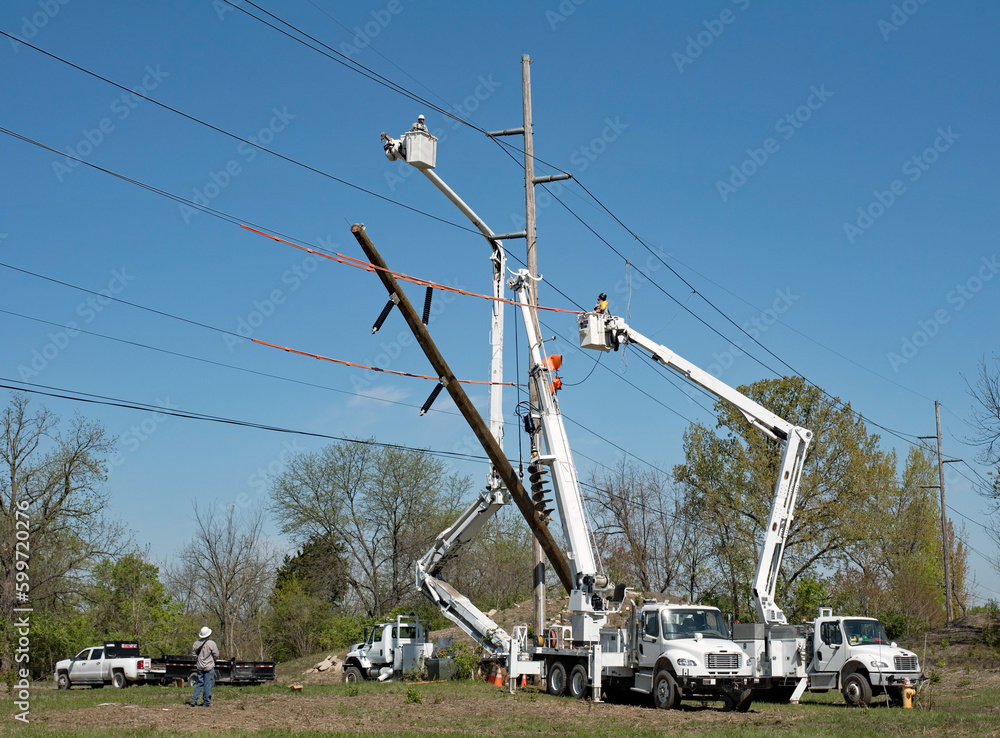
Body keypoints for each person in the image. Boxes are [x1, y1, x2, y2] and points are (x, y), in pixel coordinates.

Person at [189, 626, 219, 707]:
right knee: (208, 684)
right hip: (209, 666)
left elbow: (193, 655)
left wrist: (198, 659)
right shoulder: (211, 643)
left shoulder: (196, 643)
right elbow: (216, 654)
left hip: (199, 666)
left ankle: (194, 700)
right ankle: (206, 702)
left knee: (199, 683)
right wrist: (213, 659)